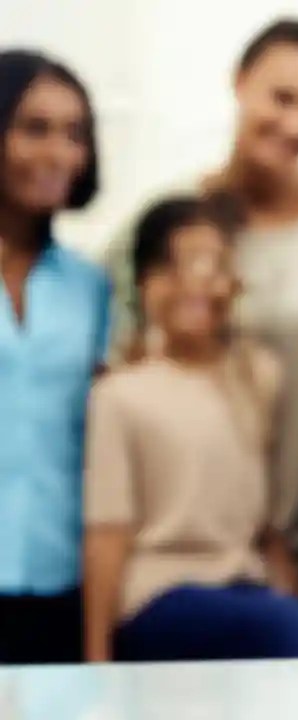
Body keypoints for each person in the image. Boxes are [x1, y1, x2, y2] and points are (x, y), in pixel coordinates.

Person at [104, 17, 298, 654]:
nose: (297, 125)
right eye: (281, 98)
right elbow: (119, 347)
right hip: (205, 546)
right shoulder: (176, 216)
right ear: (239, 83)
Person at [83, 196, 298, 662]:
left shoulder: (259, 376)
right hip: (158, 593)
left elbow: (264, 525)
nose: (195, 283)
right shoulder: (120, 394)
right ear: (143, 281)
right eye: (174, 267)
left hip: (244, 582)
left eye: (212, 266)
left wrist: (291, 594)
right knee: (289, 631)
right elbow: (107, 534)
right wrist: (97, 658)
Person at [0, 50, 110, 665]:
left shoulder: (92, 288)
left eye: (75, 134)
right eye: (35, 129)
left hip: (60, 579)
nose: (60, 153)